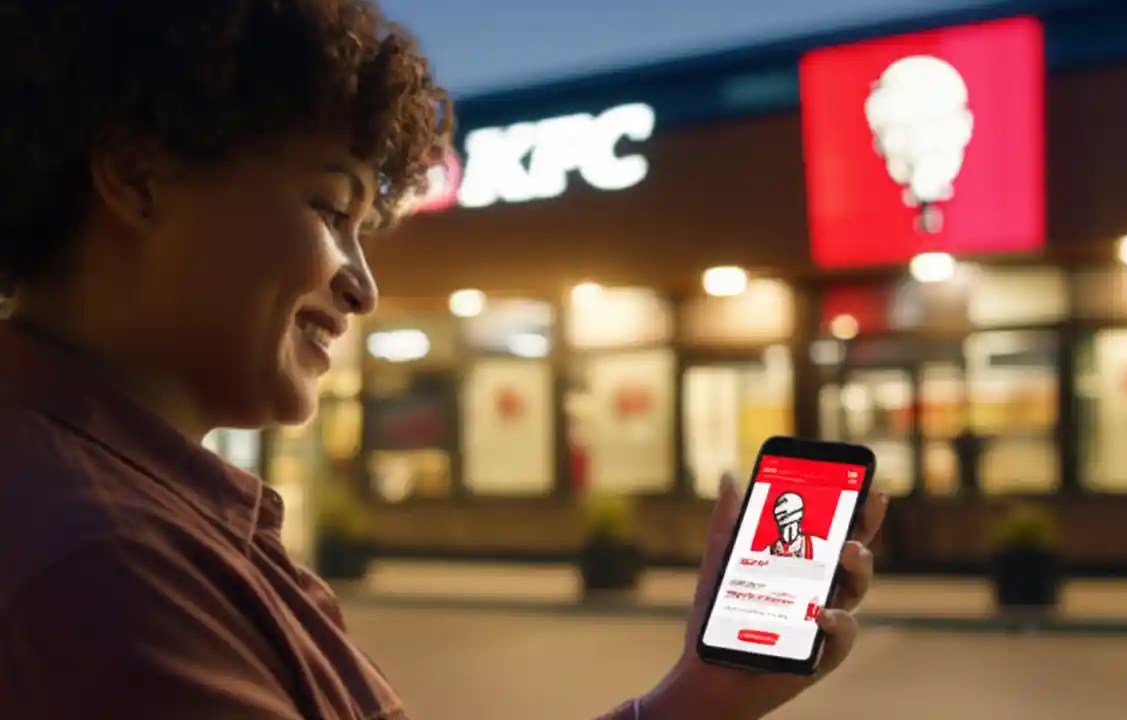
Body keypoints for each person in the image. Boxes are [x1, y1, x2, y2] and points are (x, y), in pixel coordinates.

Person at [0, 2, 889, 718]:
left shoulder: (131, 518)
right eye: (330, 209)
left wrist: (700, 698)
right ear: (139, 179)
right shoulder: (104, 569)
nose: (363, 287)